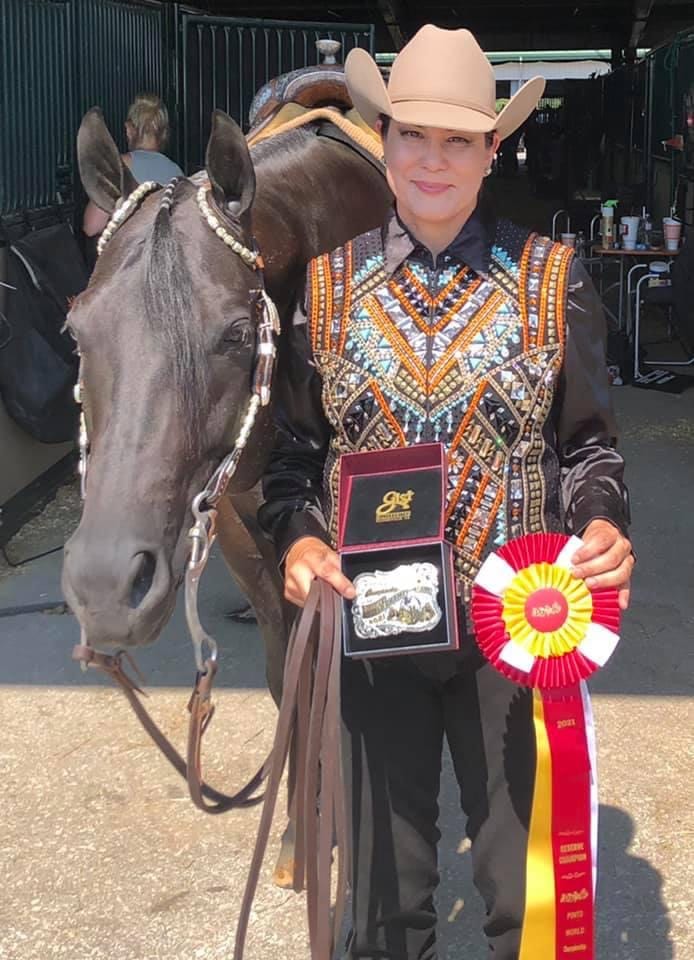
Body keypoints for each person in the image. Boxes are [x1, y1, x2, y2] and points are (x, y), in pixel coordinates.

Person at [259, 25, 633, 960]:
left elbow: (588, 445)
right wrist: (301, 540)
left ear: (491, 151)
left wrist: (601, 520)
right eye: (413, 135)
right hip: (376, 641)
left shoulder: (552, 282)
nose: (432, 160)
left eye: (457, 139)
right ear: (382, 143)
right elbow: (293, 461)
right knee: (384, 908)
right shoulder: (328, 288)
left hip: (512, 641)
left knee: (524, 900)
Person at [82, 93, 183, 238]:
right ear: (163, 133)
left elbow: (92, 226)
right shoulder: (177, 172)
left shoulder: (119, 167)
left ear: (129, 130)